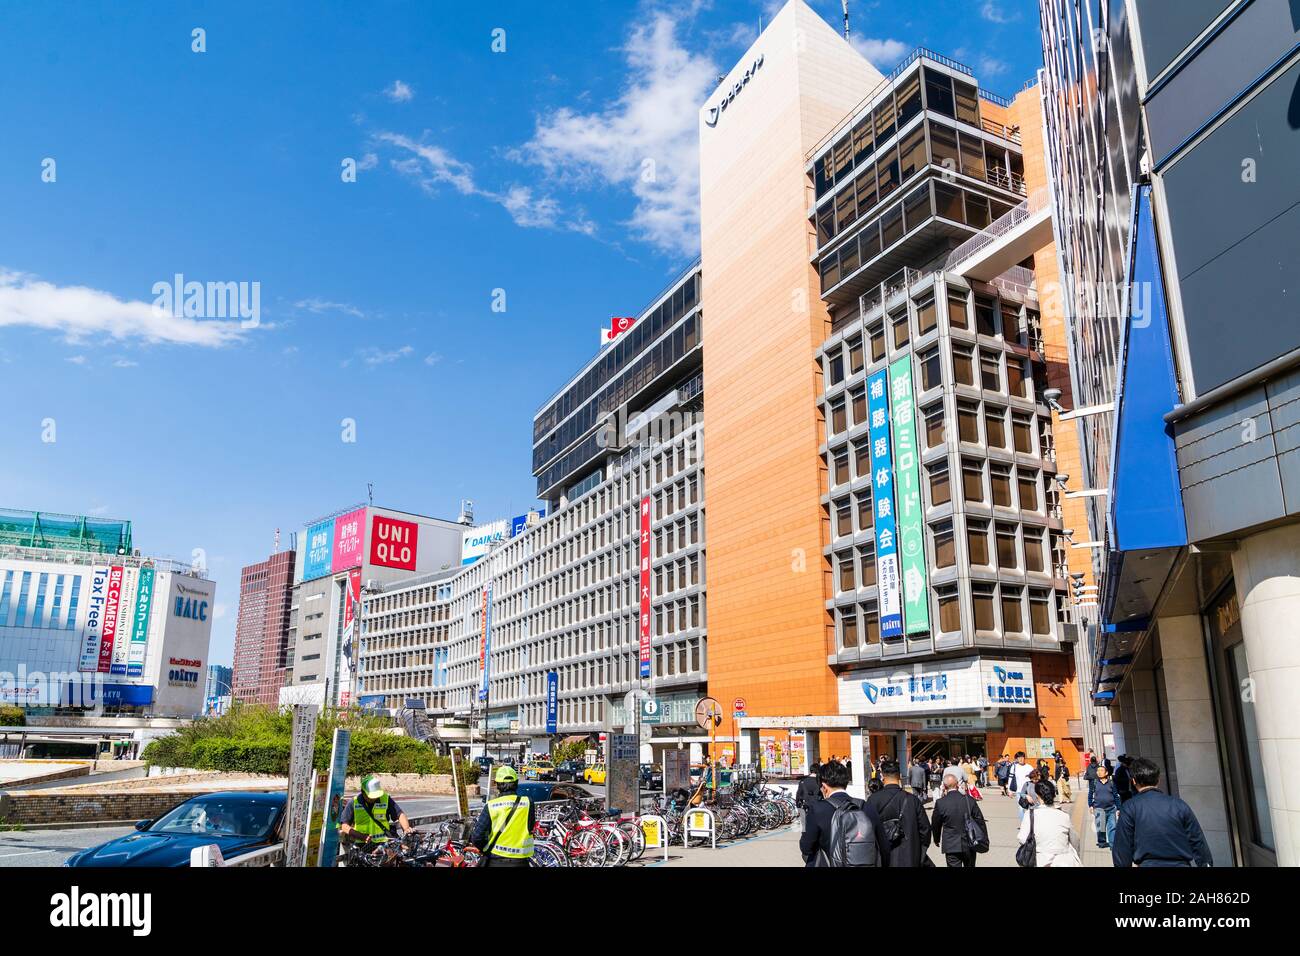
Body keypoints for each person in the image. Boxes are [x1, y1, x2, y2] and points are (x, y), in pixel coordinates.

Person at [1112, 757, 1213, 867]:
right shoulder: (1179, 805)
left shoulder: (1130, 807)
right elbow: (1197, 841)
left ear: (1134, 781)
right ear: (1158, 780)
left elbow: (1122, 849)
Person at [799, 760, 882, 867]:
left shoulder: (817, 809)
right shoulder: (866, 807)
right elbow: (883, 846)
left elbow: (806, 847)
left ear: (824, 787)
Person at [867, 760, 932, 867]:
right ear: (900, 776)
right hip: (910, 856)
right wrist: (920, 852)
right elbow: (925, 830)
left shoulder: (873, 800)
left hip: (883, 858)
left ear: (882, 776)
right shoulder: (913, 800)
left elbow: (867, 830)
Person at [470, 766, 537, 866]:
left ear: (497, 785)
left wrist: (485, 848)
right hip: (521, 860)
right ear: (516, 783)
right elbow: (530, 827)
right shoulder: (528, 802)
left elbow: (477, 837)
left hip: (496, 859)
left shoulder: (491, 806)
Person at [930, 767, 987, 866]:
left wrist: (936, 838)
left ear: (944, 786)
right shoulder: (969, 800)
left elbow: (936, 823)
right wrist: (984, 838)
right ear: (957, 785)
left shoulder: (940, 803)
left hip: (951, 844)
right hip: (970, 841)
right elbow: (980, 820)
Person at [1017, 780, 1080, 867]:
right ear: (1054, 795)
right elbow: (1075, 840)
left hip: (1040, 859)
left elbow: (1022, 838)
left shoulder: (1030, 814)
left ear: (1037, 796)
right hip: (1065, 861)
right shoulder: (1064, 815)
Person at [338, 774, 414, 845]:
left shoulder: (385, 798)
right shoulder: (354, 802)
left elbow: (399, 814)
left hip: (384, 843)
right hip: (362, 844)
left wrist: (406, 829)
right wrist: (361, 836)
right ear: (363, 792)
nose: (374, 798)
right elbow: (344, 826)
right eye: (371, 796)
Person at [1091, 763, 1119, 849]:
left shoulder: (1111, 783)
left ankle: (1112, 845)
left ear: (1106, 773)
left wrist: (1119, 808)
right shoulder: (1094, 782)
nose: (1099, 772)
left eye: (1101, 770)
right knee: (1101, 828)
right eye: (1098, 771)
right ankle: (1102, 842)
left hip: (1111, 809)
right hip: (1099, 809)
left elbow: (1116, 795)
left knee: (1112, 827)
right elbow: (1090, 795)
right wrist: (1090, 805)